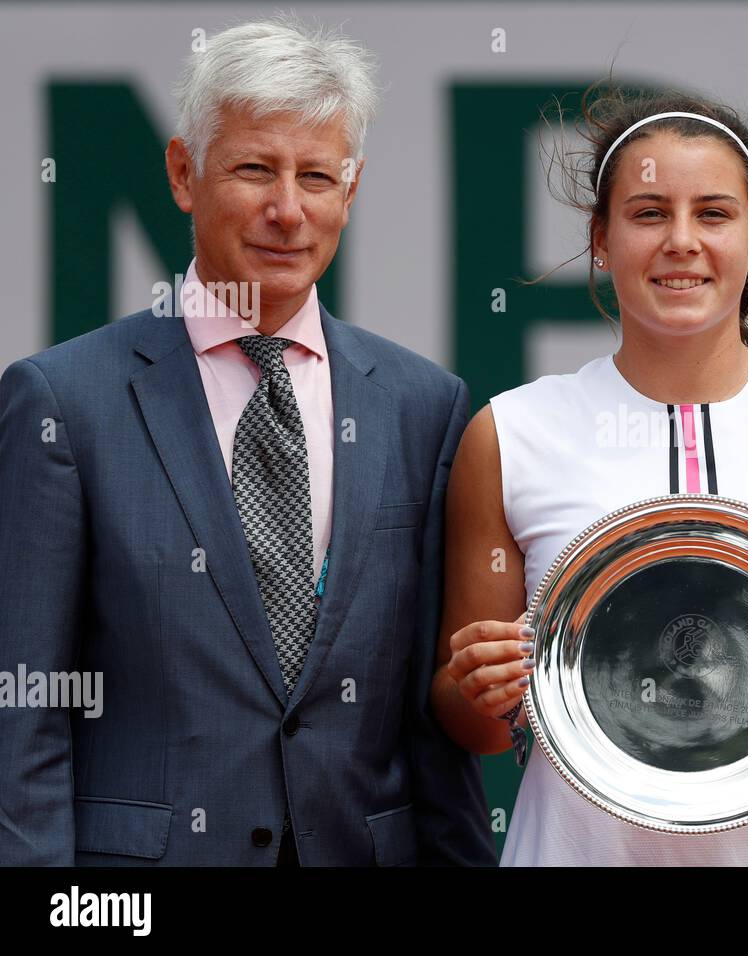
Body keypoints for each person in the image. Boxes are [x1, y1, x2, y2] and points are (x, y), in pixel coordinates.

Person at [0, 16, 494, 866]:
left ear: (353, 187)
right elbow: (24, 712)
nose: (287, 210)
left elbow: (427, 729)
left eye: (317, 176)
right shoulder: (63, 401)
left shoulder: (425, 407)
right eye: (255, 168)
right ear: (182, 174)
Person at [433, 86, 748, 865]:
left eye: (712, 213)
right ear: (600, 240)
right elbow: (474, 726)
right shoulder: (510, 433)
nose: (681, 241)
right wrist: (474, 687)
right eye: (646, 213)